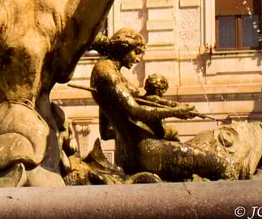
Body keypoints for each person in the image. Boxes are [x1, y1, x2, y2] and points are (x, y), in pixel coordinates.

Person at [91, 29, 233, 180]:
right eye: (136, 52)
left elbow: (105, 132)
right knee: (223, 167)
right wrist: (176, 112)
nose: (138, 59)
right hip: (147, 151)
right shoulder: (108, 74)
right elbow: (135, 110)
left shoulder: (108, 72)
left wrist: (162, 112)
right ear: (124, 47)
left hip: (127, 155)